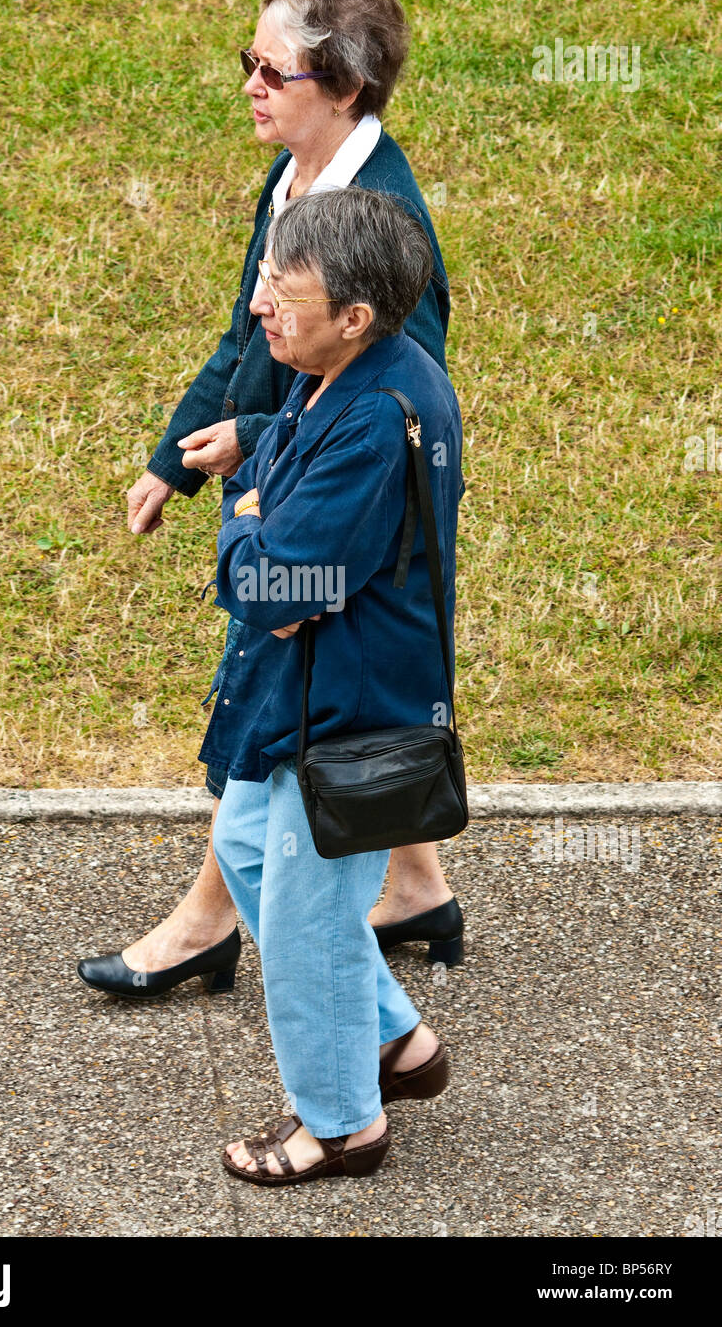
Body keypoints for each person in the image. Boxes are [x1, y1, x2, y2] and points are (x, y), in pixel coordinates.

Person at [77, 0, 464, 1004]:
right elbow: (243, 334)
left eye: (270, 69)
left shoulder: (386, 231)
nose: (248, 83)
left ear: (341, 85)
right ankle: (416, 886)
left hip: (332, 531)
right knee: (321, 722)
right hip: (288, 477)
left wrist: (273, 492)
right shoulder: (296, 178)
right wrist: (176, 455)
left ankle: (204, 926)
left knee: (273, 709)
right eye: (246, 61)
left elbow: (392, 403)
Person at [208, 187, 464, 1183]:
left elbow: (275, 591)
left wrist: (241, 511)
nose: (260, 301)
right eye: (267, 272)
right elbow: (289, 464)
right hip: (313, 699)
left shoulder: (368, 419)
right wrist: (257, 458)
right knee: (242, 845)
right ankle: (397, 1037)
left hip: (343, 716)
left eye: (285, 288)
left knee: (309, 925)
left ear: (351, 316)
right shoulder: (361, 372)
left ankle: (341, 1124)